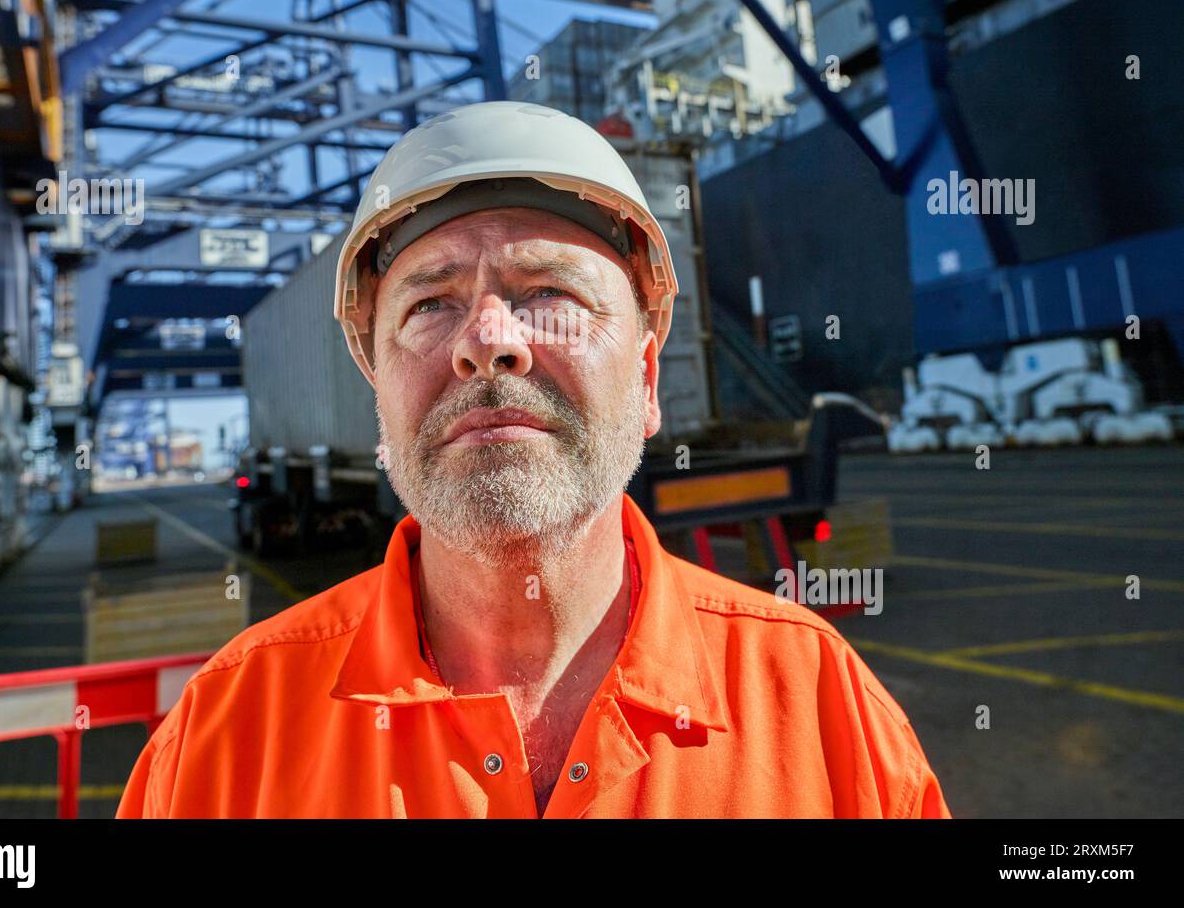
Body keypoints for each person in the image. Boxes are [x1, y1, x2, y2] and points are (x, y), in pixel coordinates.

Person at [117, 101, 951, 819]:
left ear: (649, 378)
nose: (488, 343)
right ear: (380, 392)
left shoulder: (821, 702)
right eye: (430, 303)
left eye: (550, 295)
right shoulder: (222, 736)